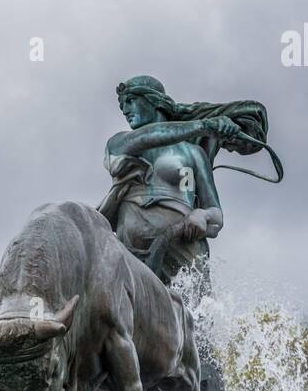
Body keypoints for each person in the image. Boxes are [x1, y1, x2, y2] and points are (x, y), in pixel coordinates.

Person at [100, 75, 282, 288]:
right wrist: (204, 126)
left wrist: (201, 215)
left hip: (184, 248)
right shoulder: (121, 144)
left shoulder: (194, 154)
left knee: (198, 314)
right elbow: (149, 136)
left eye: (130, 101)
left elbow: (216, 214)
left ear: (155, 102)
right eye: (122, 105)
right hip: (130, 252)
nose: (125, 109)